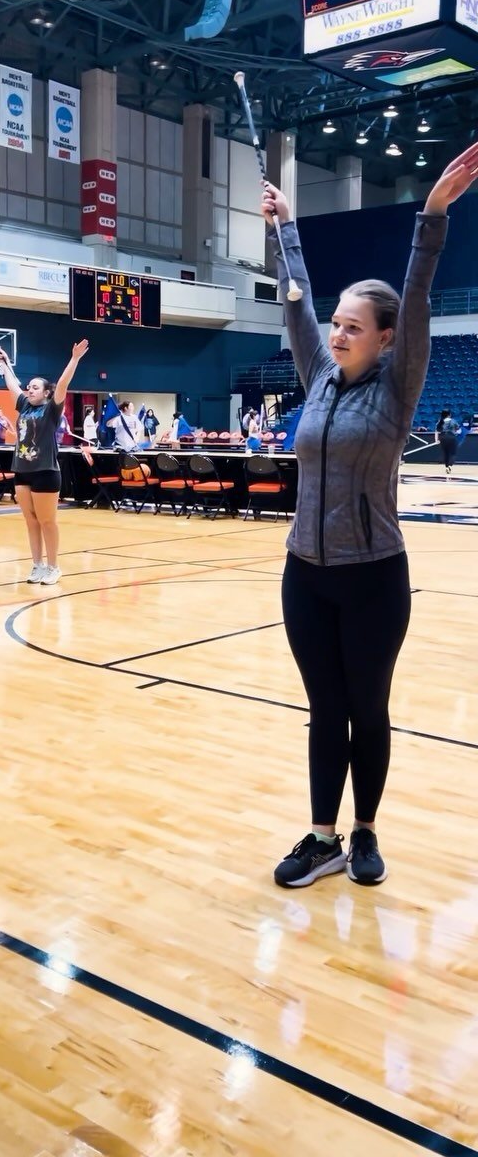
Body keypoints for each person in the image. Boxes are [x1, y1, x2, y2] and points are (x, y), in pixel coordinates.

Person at [262, 142, 478, 890]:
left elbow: (415, 300)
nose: (339, 332)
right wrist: (286, 229)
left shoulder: (397, 388)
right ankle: (321, 836)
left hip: (373, 578)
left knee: (368, 712)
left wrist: (433, 218)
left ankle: (365, 831)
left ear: (385, 339)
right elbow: (296, 300)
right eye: (337, 323)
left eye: (356, 325)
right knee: (325, 711)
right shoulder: (318, 376)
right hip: (305, 575)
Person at [0, 339, 88, 585]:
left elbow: (64, 384)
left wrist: (74, 358)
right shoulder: (24, 405)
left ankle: (54, 566)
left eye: (35, 387)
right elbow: (13, 384)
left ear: (47, 392)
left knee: (47, 521)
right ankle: (37, 565)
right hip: (22, 471)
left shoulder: (51, 409)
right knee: (31, 521)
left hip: (45, 471)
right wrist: (5, 364)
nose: (30, 389)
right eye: (29, 387)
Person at [435, 407, 461, 476]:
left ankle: (446, 467)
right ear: (449, 414)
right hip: (451, 437)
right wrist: (456, 432)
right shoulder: (453, 421)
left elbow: (437, 431)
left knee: (445, 453)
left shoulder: (440, 421)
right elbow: (459, 430)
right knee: (453, 453)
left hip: (442, 437)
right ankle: (450, 466)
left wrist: (436, 440)